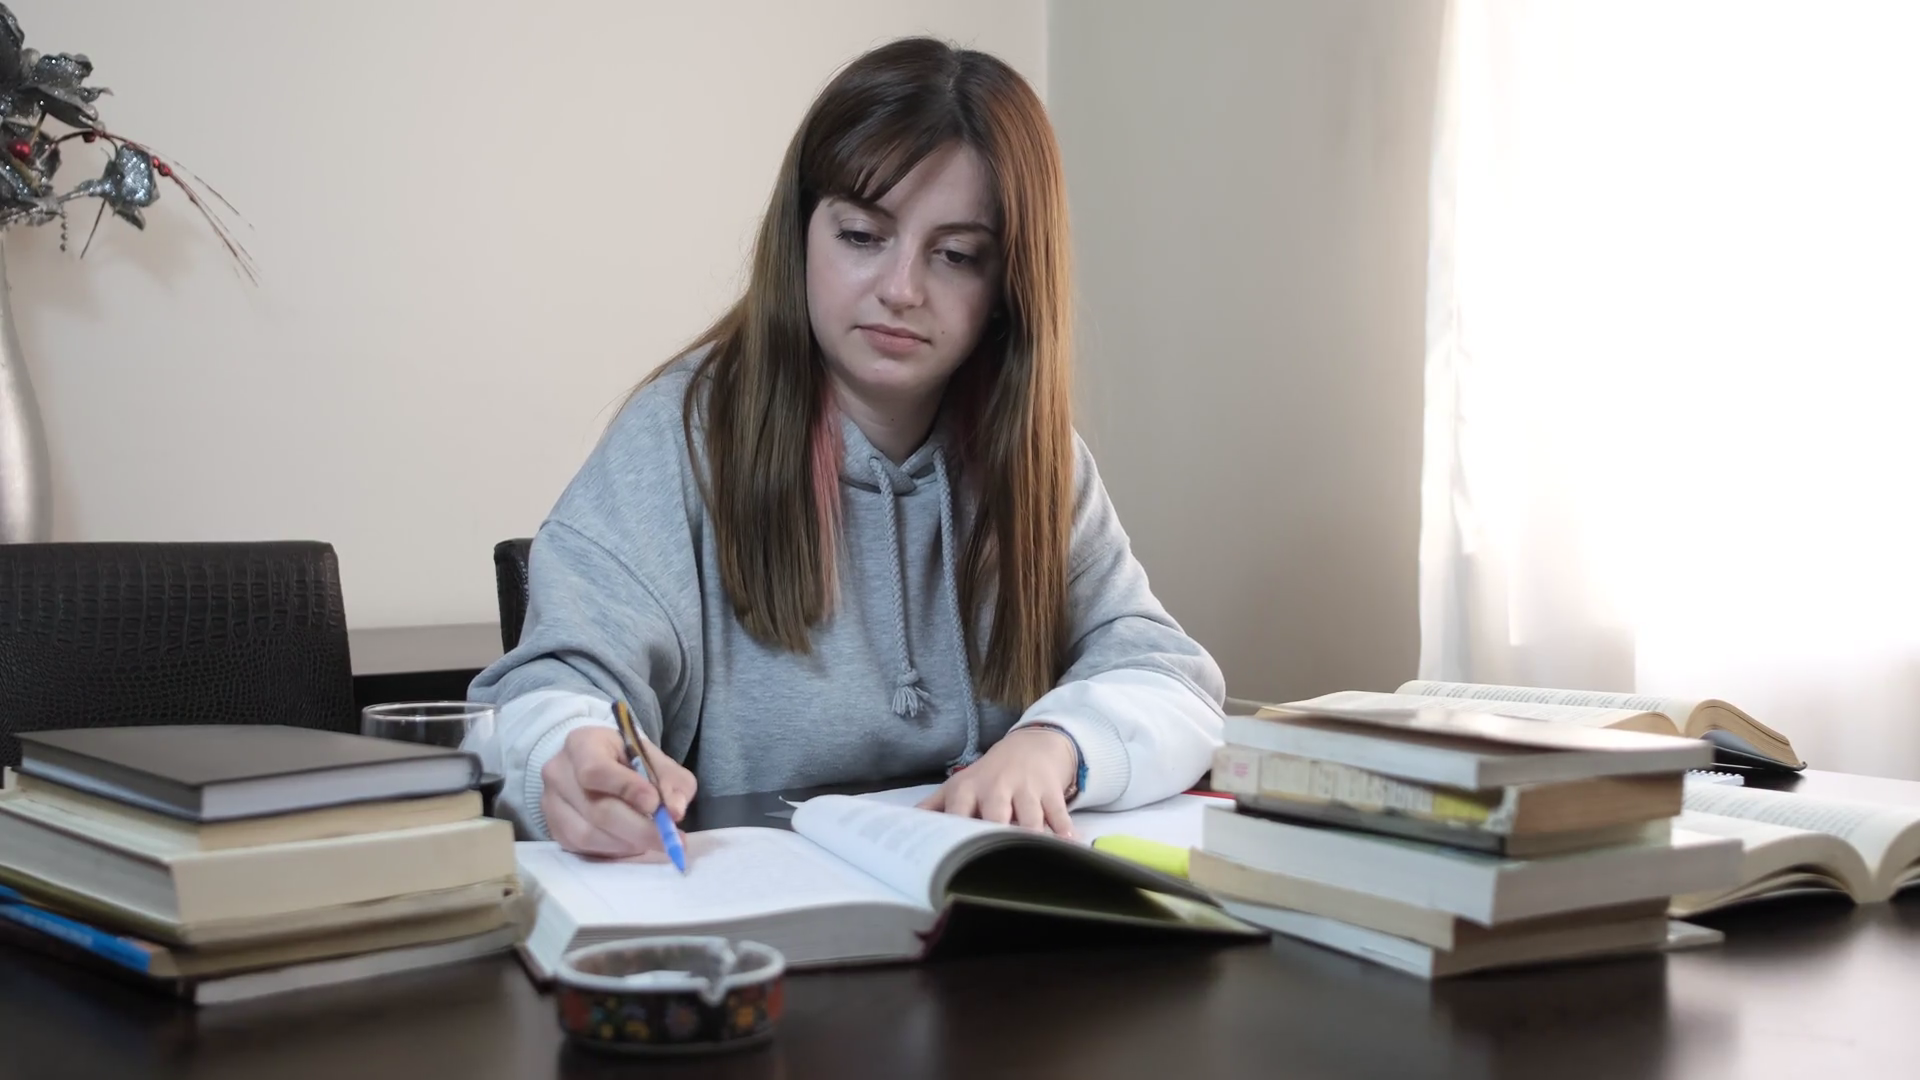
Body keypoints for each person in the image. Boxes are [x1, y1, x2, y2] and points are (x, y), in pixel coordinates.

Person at [467, 36, 1225, 858]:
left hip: (984, 941)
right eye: (863, 235)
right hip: (765, 932)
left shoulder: (1037, 460)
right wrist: (573, 755)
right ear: (800, 234)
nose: (902, 289)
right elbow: (548, 691)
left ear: (1007, 285)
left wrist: (1060, 747)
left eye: (957, 255)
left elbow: (1174, 680)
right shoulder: (681, 435)